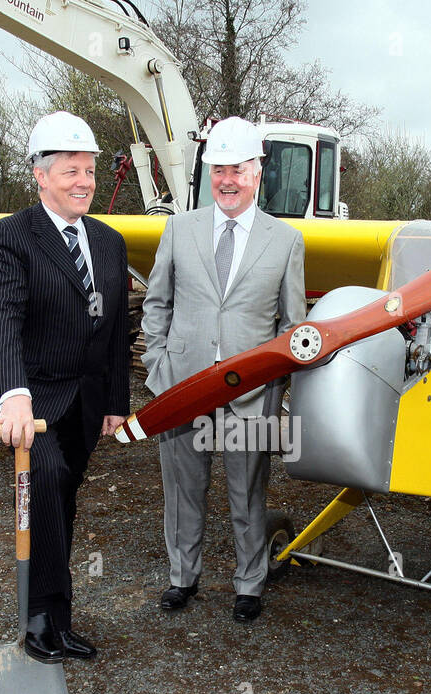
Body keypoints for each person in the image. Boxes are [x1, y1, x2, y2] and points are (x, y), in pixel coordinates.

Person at [0, 111, 130, 664]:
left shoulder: (109, 242)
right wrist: (12, 392)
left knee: (61, 498)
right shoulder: (12, 236)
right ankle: (38, 618)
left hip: (85, 399)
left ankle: (57, 617)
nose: (83, 181)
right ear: (40, 175)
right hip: (29, 401)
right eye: (70, 170)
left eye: (89, 170)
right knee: (47, 483)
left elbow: (115, 330)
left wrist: (115, 400)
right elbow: (2, 318)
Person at [141, 117, 306, 623]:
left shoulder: (285, 241)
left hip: (249, 396)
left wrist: (274, 389)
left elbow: (293, 327)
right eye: (218, 170)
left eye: (237, 169)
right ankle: (181, 578)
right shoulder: (178, 228)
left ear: (257, 172)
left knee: (247, 495)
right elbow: (156, 304)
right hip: (183, 387)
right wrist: (158, 364)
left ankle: (249, 584)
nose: (227, 180)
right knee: (182, 492)